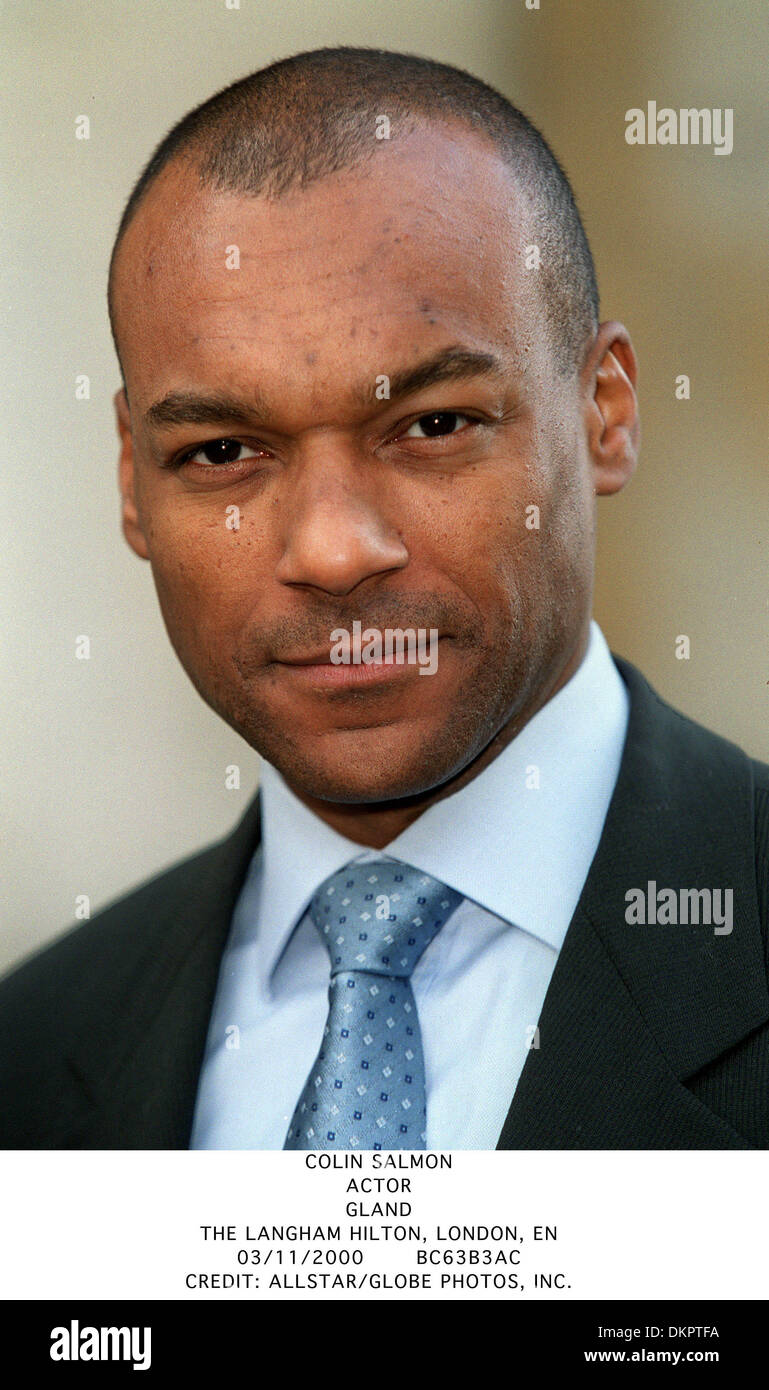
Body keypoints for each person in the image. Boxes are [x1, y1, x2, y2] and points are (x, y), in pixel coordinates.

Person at [2, 47, 767, 1151]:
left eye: (434, 426)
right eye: (223, 450)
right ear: (132, 480)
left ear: (604, 412)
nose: (331, 549)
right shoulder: (31, 1055)